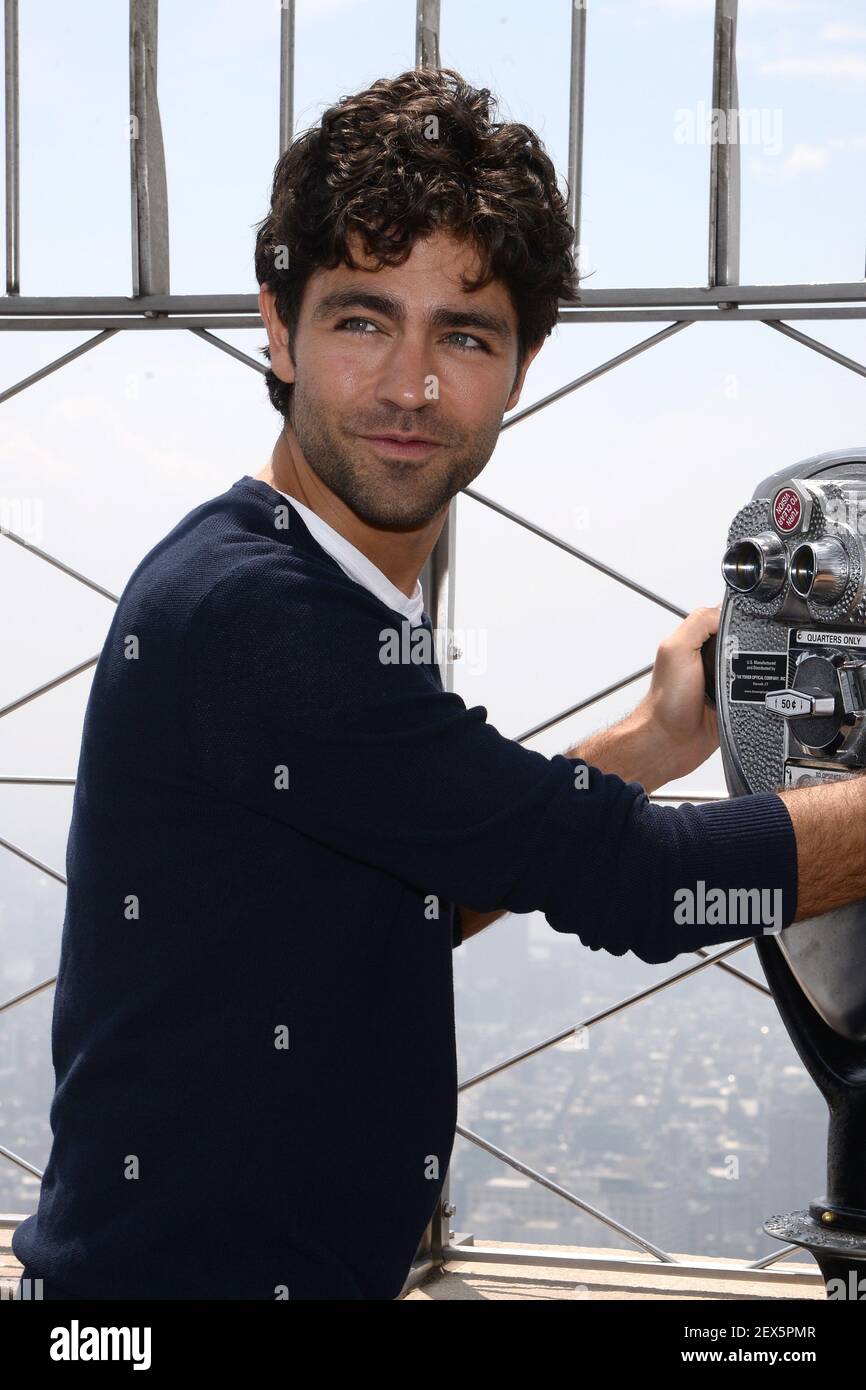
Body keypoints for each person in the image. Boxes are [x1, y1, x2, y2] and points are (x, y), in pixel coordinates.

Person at [13, 67, 866, 1302]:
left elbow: (409, 887)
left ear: (517, 371)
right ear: (276, 326)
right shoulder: (255, 617)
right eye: (363, 319)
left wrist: (649, 739)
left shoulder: (295, 582)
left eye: (463, 335)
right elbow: (643, 881)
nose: (410, 386)